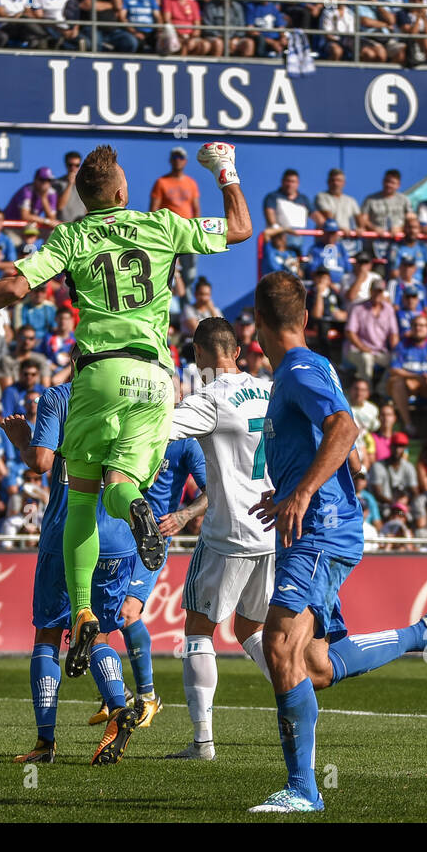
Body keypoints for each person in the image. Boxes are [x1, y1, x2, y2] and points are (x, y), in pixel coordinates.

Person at [0, 142, 250, 684]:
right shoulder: (161, 225)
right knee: (125, 486)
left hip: (96, 375)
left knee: (80, 498)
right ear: (121, 191)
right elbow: (239, 228)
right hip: (153, 377)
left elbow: (13, 287)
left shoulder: (71, 236)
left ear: (83, 200)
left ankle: (83, 611)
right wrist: (224, 170)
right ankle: (131, 512)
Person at [245, 272, 427, 813]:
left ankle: (303, 790)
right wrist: (289, 492)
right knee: (314, 665)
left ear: (258, 325)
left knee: (278, 643)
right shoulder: (303, 370)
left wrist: (302, 492)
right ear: (303, 318)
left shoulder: (297, 369)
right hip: (311, 524)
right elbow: (341, 442)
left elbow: (345, 428)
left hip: (319, 528)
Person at [0, 382, 143, 766]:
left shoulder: (59, 397)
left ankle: (45, 744)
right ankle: (117, 707)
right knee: (100, 635)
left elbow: (41, 462)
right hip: (117, 537)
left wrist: (22, 439)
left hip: (69, 534)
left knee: (48, 633)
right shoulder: (130, 392)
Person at [164, 316, 275, 760]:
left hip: (228, 534)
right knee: (251, 627)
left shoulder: (209, 398)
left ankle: (202, 741)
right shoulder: (269, 390)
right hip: (272, 530)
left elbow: (161, 432)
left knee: (199, 629)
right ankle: (297, 695)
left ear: (198, 355)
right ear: (238, 353)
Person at [150, 147, 202, 286]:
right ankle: (172, 306)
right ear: (170, 161)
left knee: (190, 274)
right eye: (174, 158)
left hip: (187, 233)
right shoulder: (161, 182)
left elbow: (196, 209)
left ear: (185, 161)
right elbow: (154, 209)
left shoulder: (191, 183)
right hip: (169, 234)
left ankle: (186, 305)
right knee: (169, 270)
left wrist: (196, 231)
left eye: (180, 158)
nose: (177, 161)